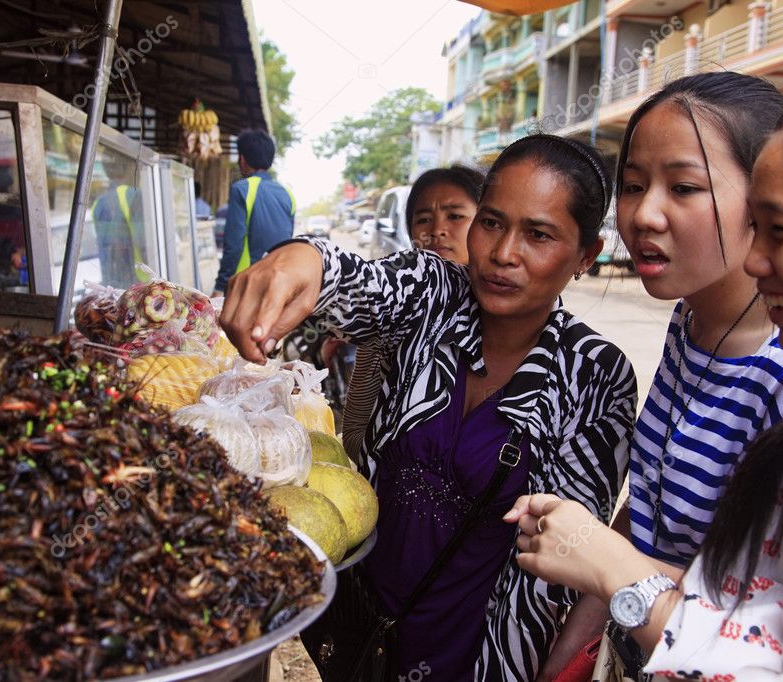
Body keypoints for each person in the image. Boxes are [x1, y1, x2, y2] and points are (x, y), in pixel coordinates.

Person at [222, 135, 638, 681]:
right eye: (491, 222)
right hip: (359, 625)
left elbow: (569, 564)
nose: (503, 253)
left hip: (479, 655)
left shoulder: (597, 375)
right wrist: (303, 258)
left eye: (538, 234)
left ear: (587, 254)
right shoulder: (436, 295)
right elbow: (362, 281)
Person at [507, 83, 783, 681]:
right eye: (632, 185)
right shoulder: (689, 320)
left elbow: (770, 627)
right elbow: (646, 509)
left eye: (683, 187)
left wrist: (609, 564)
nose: (644, 215)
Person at [341, 164, 485, 463]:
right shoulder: (390, 318)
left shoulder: (505, 318)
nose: (436, 231)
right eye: (424, 219)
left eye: (455, 216)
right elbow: (355, 430)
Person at [211, 129, 295, 297]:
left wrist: (220, 285)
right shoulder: (288, 193)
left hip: (246, 284)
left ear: (242, 159)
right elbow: (287, 241)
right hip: (278, 285)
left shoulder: (242, 189)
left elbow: (234, 244)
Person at [92, 158, 148, 289]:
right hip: (139, 286)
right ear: (127, 168)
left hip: (112, 286)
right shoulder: (134, 196)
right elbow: (146, 246)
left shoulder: (98, 203)